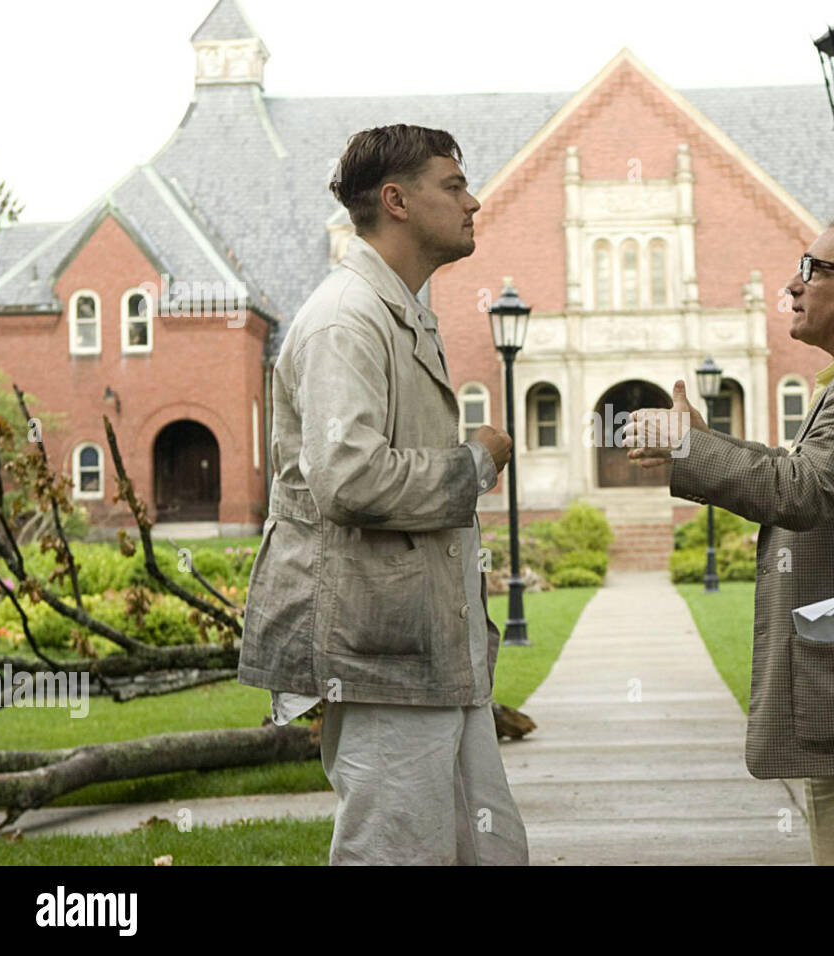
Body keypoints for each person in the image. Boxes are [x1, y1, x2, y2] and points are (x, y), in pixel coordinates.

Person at [624, 213, 834, 865]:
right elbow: (806, 473)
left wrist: (690, 447)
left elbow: (801, 492)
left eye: (814, 269)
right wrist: (704, 442)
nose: (793, 284)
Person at [238, 124, 528, 866]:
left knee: (487, 848)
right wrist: (475, 464)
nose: (473, 202)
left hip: (432, 652)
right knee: (396, 853)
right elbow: (350, 478)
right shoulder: (347, 319)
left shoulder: (396, 310)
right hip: (381, 656)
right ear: (396, 201)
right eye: (454, 186)